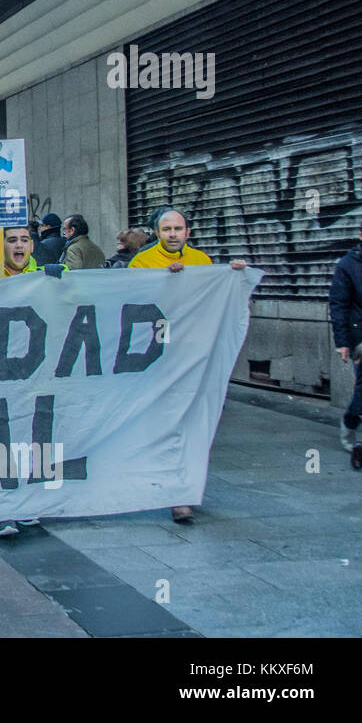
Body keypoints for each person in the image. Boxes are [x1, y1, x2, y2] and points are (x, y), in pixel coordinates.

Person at [127, 207, 248, 524]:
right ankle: (168, 490)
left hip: (193, 355)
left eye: (178, 229)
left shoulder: (202, 261)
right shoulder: (142, 261)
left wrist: (234, 277)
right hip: (158, 356)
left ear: (187, 233)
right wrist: (165, 284)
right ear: (156, 232)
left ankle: (182, 493)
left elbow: (210, 301)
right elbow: (132, 303)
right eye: (166, 229)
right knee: (165, 424)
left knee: (190, 424)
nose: (172, 235)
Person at [0, 226, 66, 537]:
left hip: (36, 374)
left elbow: (82, 300)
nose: (19, 245)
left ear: (32, 245)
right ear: (0, 245)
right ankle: (2, 508)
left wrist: (64, 280)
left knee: (29, 436)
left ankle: (27, 502)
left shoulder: (49, 274)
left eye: (24, 239)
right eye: (11, 240)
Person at [331, 224, 362, 453]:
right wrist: (342, 341)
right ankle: (351, 421)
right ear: (361, 235)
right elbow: (339, 304)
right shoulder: (348, 264)